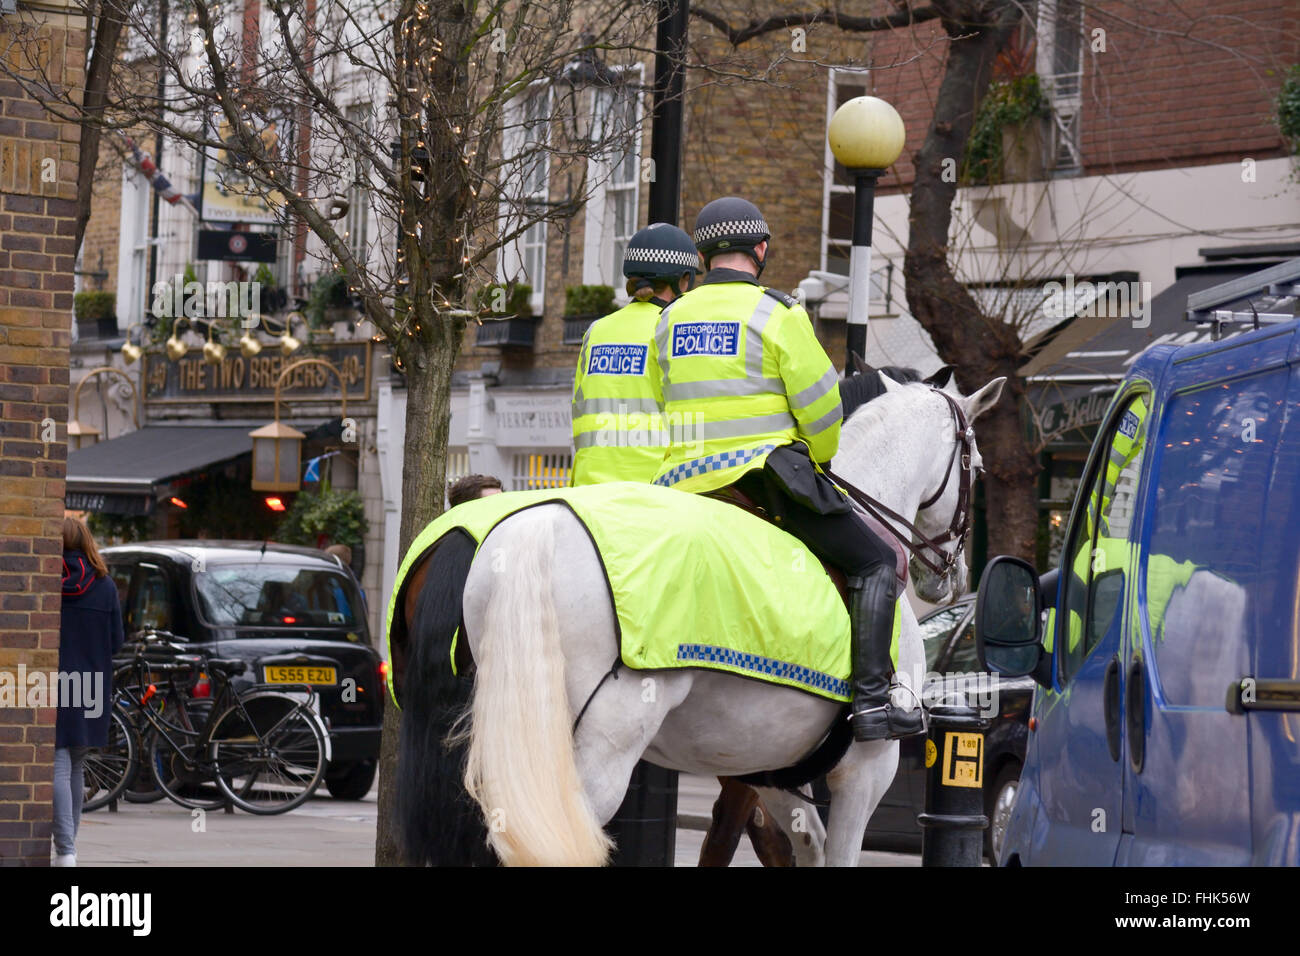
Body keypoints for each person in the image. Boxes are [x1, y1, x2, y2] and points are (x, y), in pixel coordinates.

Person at [650, 196, 922, 741]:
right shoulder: (778, 313)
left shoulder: (669, 319)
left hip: (680, 488)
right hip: (763, 480)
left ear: (702, 255)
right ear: (762, 249)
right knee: (876, 560)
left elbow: (663, 399)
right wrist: (816, 462)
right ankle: (871, 702)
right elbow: (823, 411)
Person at [570, 223, 701, 486]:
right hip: (650, 493)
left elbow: (578, 408)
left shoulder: (597, 331)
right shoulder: (676, 331)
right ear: (683, 279)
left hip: (589, 492)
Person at [54, 516, 124, 866]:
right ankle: (70, 848)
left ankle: (66, 851)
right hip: (92, 685)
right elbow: (117, 642)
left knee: (57, 763)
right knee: (77, 764)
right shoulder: (105, 585)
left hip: (53, 683)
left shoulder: (47, 582)